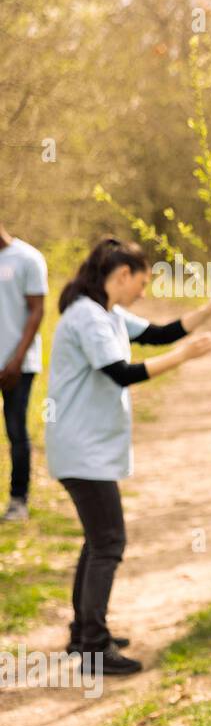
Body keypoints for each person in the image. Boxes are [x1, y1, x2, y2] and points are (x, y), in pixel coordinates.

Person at [46, 238, 211, 674]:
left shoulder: (105, 311)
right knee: (109, 541)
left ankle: (83, 632)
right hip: (80, 448)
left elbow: (159, 333)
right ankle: (93, 647)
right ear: (122, 275)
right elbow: (121, 373)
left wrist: (208, 310)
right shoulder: (88, 316)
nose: (143, 291)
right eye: (141, 282)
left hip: (87, 448)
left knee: (97, 539)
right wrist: (182, 358)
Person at [0, 224, 48, 522]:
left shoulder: (27, 258)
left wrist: (16, 360)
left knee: (16, 431)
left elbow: (37, 310)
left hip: (19, 365)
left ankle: (19, 500)